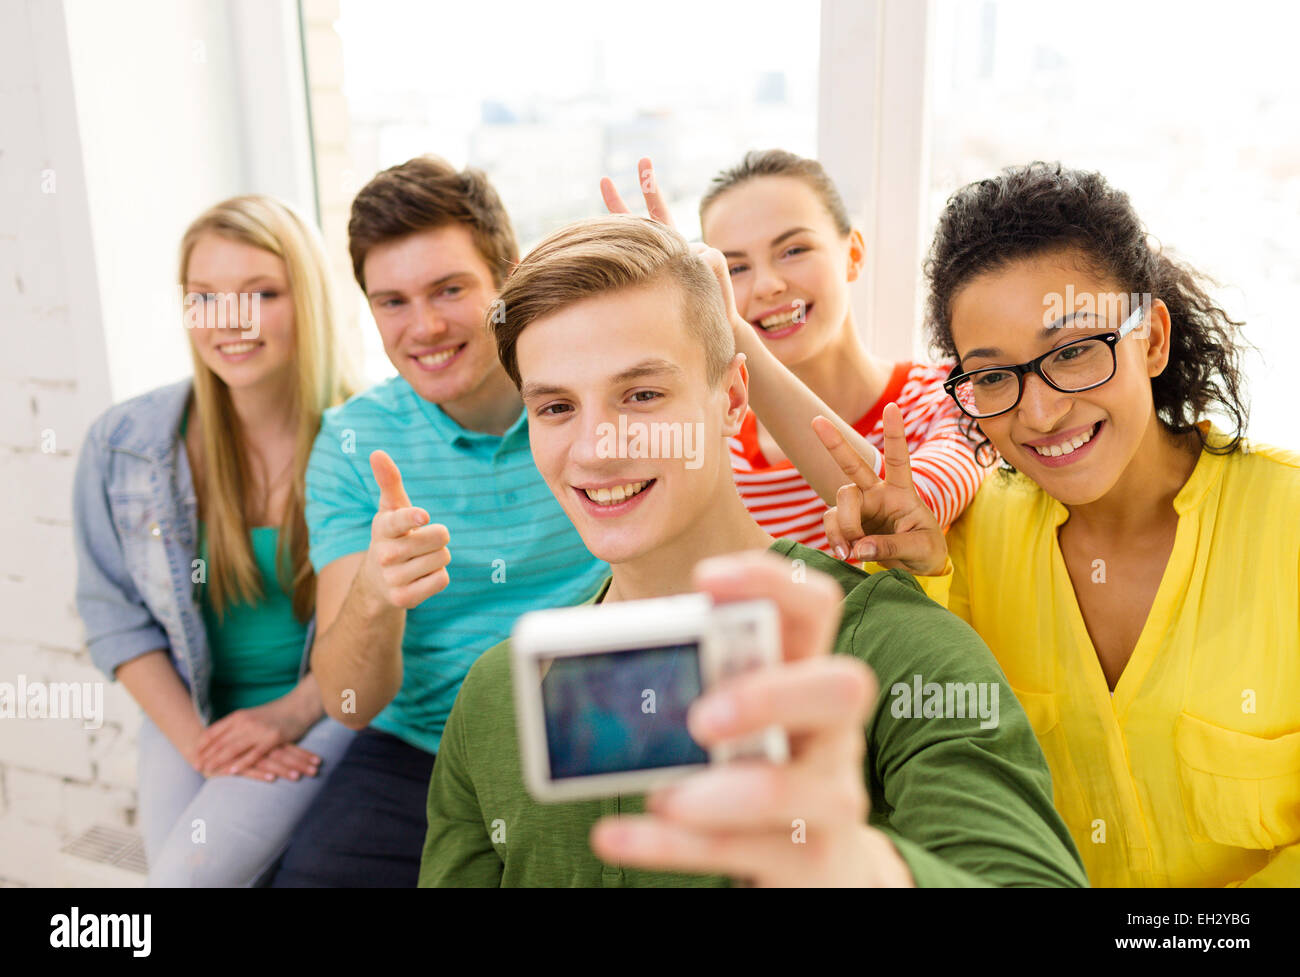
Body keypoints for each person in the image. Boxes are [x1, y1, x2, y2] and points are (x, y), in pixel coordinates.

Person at [418, 214, 1088, 887]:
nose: (597, 448)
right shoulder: (494, 696)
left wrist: (861, 870)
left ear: (733, 398)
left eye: (642, 394)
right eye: (556, 407)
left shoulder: (894, 649)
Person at [820, 162, 1300, 887]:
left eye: (1074, 351)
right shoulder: (961, 553)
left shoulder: (1285, 525)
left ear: (1152, 340)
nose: (1038, 413)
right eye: (992, 375)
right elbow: (932, 794)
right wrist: (919, 581)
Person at [268, 156, 607, 887]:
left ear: (507, 280)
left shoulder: (591, 407)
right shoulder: (355, 443)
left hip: (589, 727)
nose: (423, 326)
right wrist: (375, 591)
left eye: (448, 289)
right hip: (420, 747)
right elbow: (350, 703)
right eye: (391, 301)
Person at [72, 195, 358, 886]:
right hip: (196, 711)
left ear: (309, 300)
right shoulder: (127, 444)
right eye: (204, 296)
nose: (229, 321)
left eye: (260, 293)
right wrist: (205, 748)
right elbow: (113, 616)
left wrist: (289, 715)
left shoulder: (367, 440)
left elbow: (394, 633)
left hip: (326, 706)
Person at [601, 153, 987, 553]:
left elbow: (905, 517)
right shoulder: (711, 435)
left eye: (794, 250)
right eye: (734, 269)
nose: (768, 285)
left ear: (853, 253)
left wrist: (733, 330)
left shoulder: (955, 394)